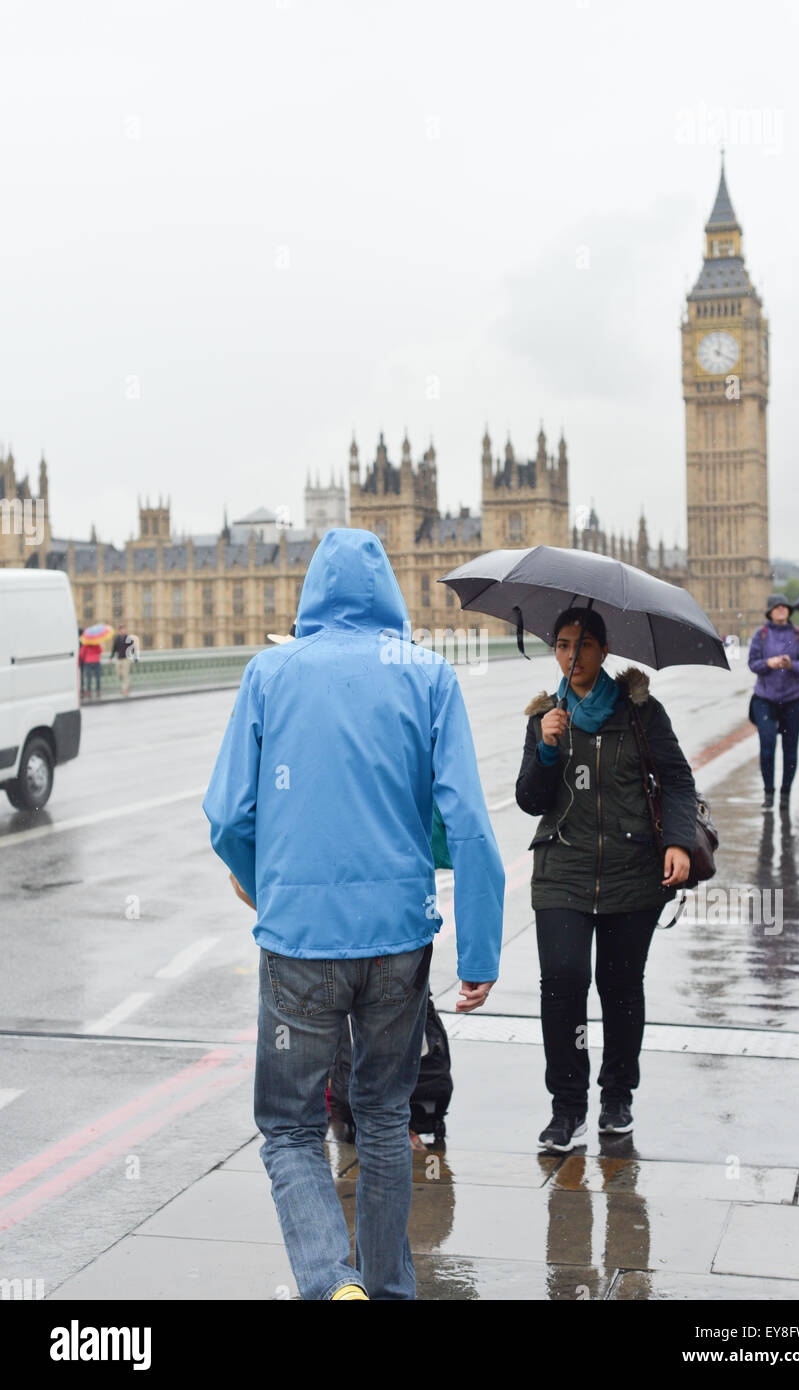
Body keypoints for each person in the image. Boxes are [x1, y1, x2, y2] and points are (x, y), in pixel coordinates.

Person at [203, 528, 504, 1301]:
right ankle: (389, 1290)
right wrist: (479, 954)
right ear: (390, 595)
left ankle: (331, 1284)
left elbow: (229, 814)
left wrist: (264, 882)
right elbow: (467, 823)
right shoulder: (429, 674)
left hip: (299, 939)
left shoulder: (269, 671)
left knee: (291, 1127)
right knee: (381, 1118)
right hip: (399, 940)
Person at [515, 607, 695, 1147]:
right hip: (562, 871)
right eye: (564, 645)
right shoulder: (544, 717)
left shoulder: (641, 714)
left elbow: (678, 782)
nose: (573, 655)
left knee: (620, 989)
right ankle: (566, 1107)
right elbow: (530, 800)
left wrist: (678, 842)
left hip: (630, 872)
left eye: (584, 644)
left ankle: (617, 1096)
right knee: (563, 984)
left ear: (604, 651)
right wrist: (547, 748)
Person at [748, 595, 799, 809]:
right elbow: (753, 664)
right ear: (770, 611)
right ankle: (769, 793)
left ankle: (785, 792)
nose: (782, 609)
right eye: (777, 607)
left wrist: (790, 664)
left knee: (790, 747)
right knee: (767, 746)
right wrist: (768, 662)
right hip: (765, 698)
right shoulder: (761, 634)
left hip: (794, 699)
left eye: (785, 606)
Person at [110, 624, 135, 697]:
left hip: (126, 659)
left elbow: (132, 647)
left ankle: (124, 690)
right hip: (119, 658)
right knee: (118, 673)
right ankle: (128, 684)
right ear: (119, 630)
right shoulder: (117, 638)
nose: (124, 631)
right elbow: (114, 648)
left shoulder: (128, 638)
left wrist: (135, 657)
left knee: (125, 674)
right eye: (122, 629)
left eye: (125, 629)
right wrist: (111, 657)